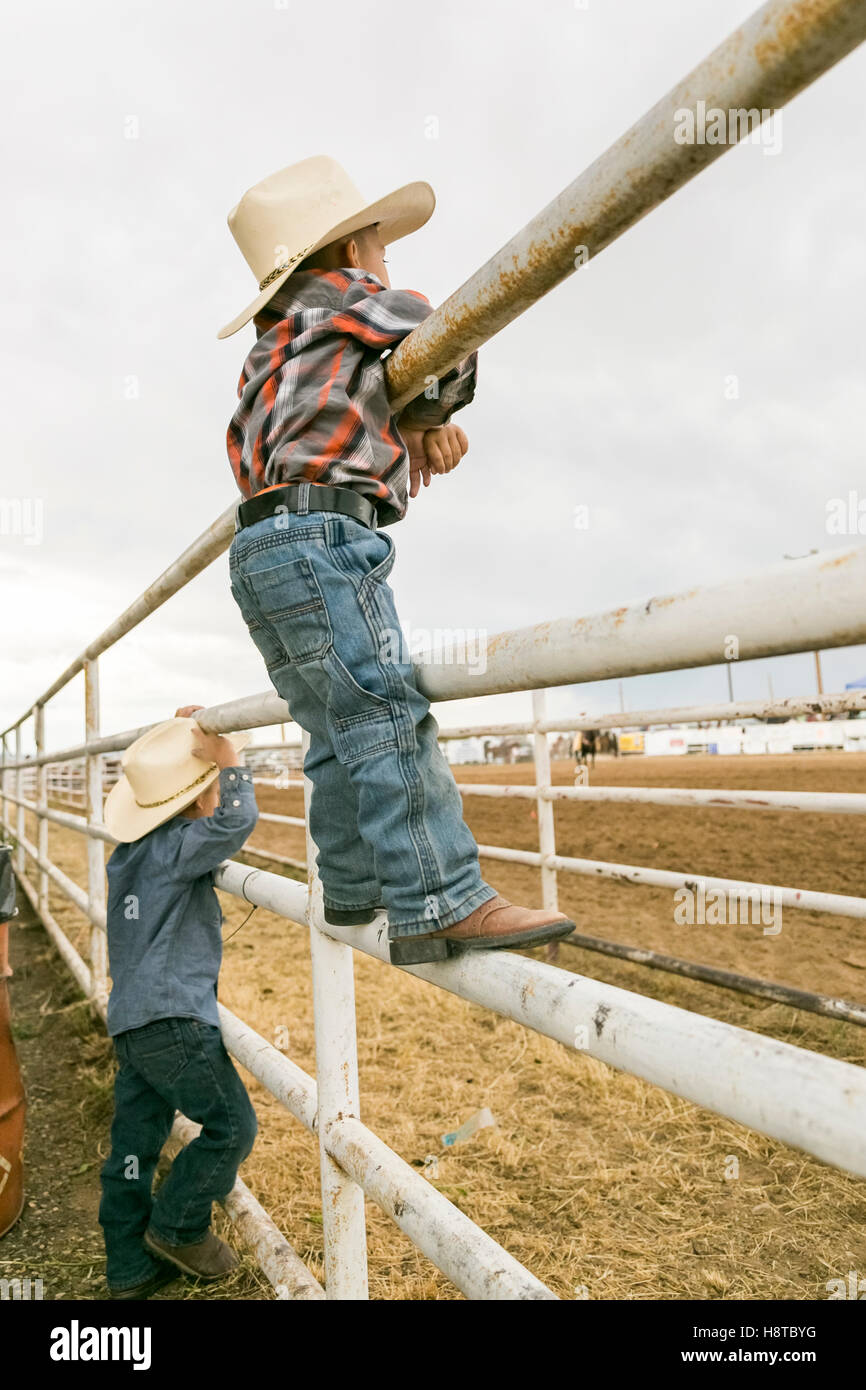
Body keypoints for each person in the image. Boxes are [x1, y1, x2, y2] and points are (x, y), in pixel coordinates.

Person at [219, 156, 575, 966]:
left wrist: (393, 411)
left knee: (328, 723)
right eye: (381, 249)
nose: (389, 267)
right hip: (323, 537)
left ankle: (351, 887)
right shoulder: (357, 304)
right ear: (349, 256)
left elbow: (245, 452)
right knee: (382, 709)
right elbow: (452, 333)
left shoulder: (269, 352)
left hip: (258, 544)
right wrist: (423, 412)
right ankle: (439, 897)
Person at [98, 714, 258, 1300]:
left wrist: (186, 736)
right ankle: (178, 1226)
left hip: (133, 1024)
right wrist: (232, 760)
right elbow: (237, 820)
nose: (216, 793)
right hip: (175, 1024)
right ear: (192, 805)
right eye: (209, 785)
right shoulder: (181, 847)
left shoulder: (128, 856)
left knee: (134, 1147)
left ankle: (127, 1264)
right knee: (232, 1125)